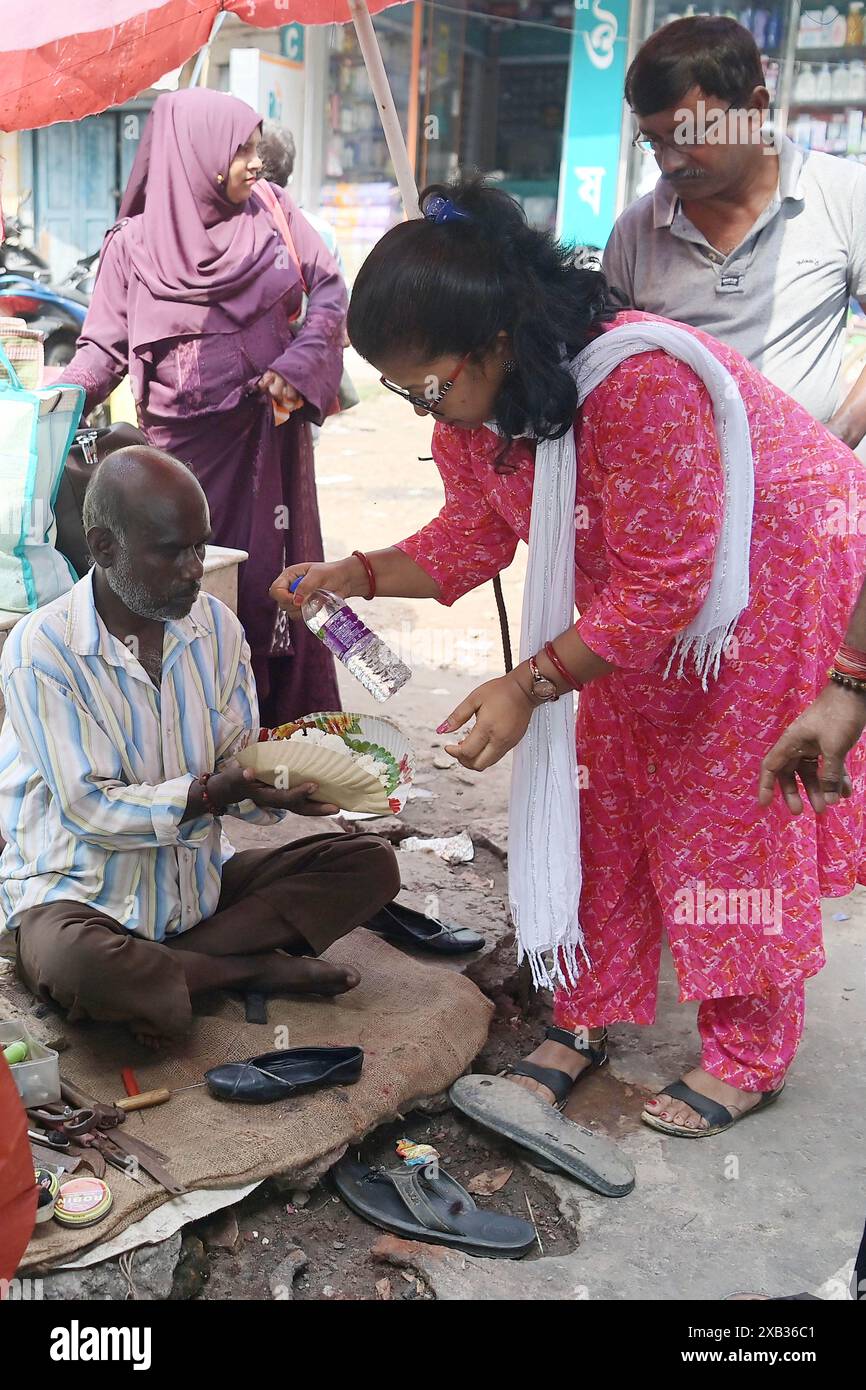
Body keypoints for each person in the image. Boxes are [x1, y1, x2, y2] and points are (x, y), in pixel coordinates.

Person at [272, 179, 866, 1139]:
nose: (426, 408)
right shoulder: (474, 410)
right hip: (650, 589)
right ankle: (589, 1009)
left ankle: (750, 1053)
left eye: (429, 384)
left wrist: (529, 683)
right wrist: (357, 572)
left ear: (497, 342)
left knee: (726, 809)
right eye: (400, 389)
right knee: (607, 795)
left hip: (767, 576)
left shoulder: (634, 385)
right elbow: (475, 532)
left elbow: (670, 583)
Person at [0, 448, 400, 1048]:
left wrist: (281, 789)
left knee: (369, 863)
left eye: (200, 547)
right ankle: (246, 968)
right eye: (172, 550)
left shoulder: (216, 628)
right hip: (80, 895)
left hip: (195, 889)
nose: (194, 568)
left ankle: (175, 971)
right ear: (105, 548)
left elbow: (236, 765)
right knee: (78, 963)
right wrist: (217, 791)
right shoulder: (43, 650)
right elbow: (91, 812)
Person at [59, 88, 347, 726]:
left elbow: (328, 293)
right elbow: (103, 350)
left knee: (271, 582)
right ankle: (190, 732)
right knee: (178, 587)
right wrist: (56, 402)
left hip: (265, 448)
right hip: (174, 468)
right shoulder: (132, 248)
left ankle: (272, 725)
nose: (256, 163)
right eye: (240, 150)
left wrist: (296, 370)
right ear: (196, 156)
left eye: (255, 147)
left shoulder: (274, 215)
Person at [603, 16, 866, 445]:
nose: (669, 162)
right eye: (653, 141)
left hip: (801, 494)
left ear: (755, 108)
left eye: (689, 134)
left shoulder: (844, 194)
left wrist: (837, 437)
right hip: (675, 491)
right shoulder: (635, 233)